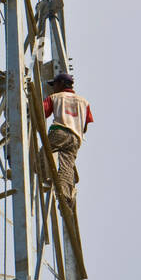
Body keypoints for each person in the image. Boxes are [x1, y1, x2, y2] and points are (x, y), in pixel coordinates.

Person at [42, 72, 93, 208]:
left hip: (59, 131)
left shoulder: (55, 97)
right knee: (66, 167)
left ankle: (46, 178)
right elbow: (85, 126)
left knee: (42, 156)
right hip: (76, 138)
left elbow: (43, 113)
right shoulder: (84, 102)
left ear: (60, 84)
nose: (53, 88)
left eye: (54, 85)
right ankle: (66, 197)